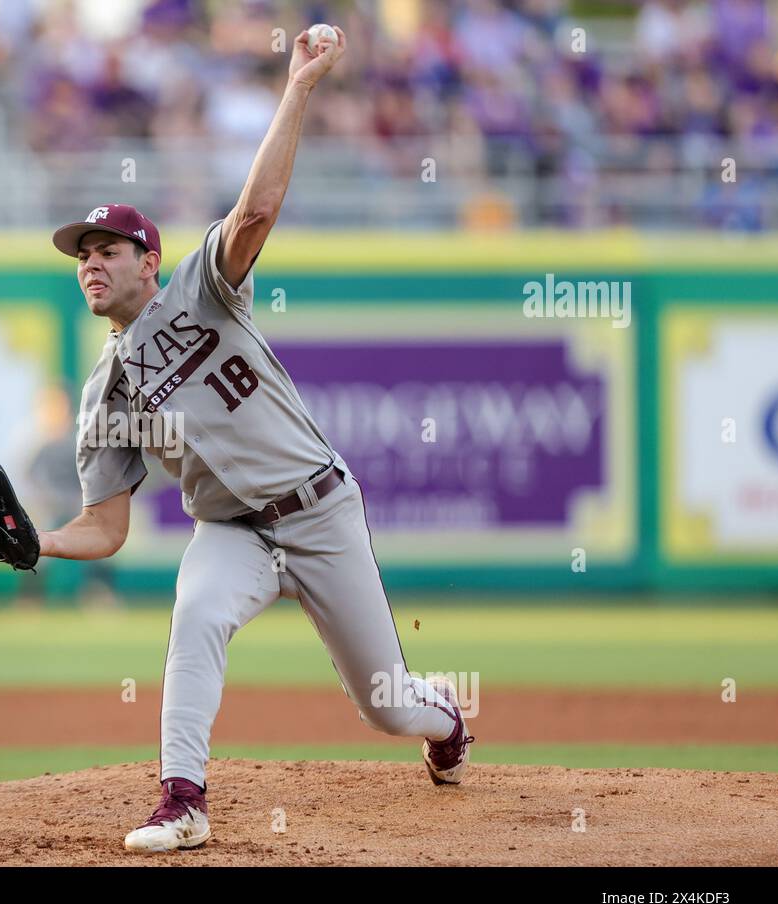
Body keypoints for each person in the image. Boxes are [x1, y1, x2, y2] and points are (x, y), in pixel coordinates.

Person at [42, 26, 472, 853]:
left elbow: (257, 209)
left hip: (318, 509)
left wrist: (300, 86)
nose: (91, 264)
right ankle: (183, 800)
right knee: (195, 611)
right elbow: (106, 526)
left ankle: (444, 717)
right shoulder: (109, 391)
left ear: (149, 261)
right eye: (81, 255)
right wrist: (41, 543)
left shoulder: (202, 291)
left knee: (387, 705)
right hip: (231, 530)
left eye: (107, 249)